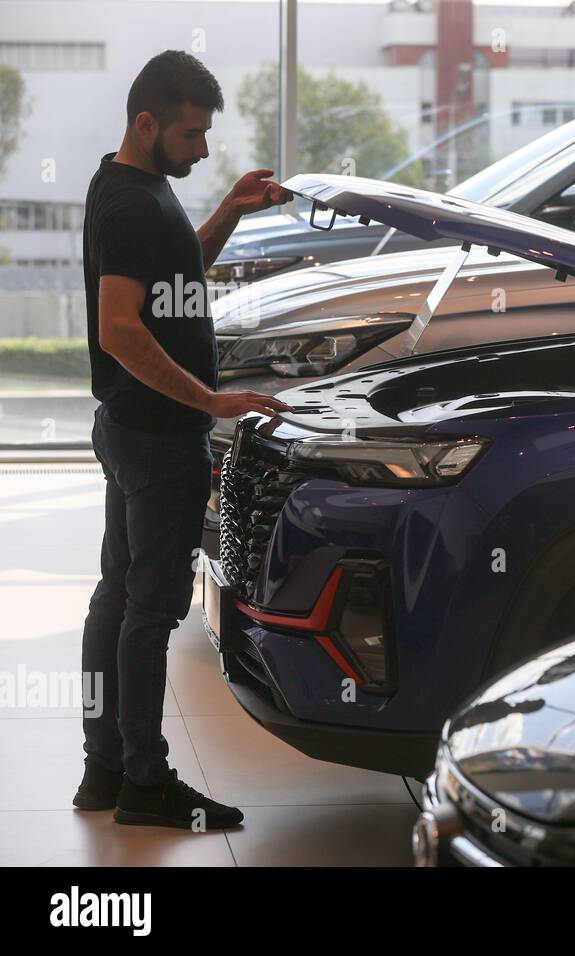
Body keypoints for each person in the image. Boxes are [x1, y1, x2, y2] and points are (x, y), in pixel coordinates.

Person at [74, 50, 294, 829]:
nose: (203, 148)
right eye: (192, 133)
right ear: (146, 122)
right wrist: (210, 399)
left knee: (117, 594)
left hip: (130, 428)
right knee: (149, 611)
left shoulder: (129, 185)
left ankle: (103, 771)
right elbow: (120, 329)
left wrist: (229, 211)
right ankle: (144, 780)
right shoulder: (135, 203)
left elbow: (174, 282)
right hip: (159, 438)